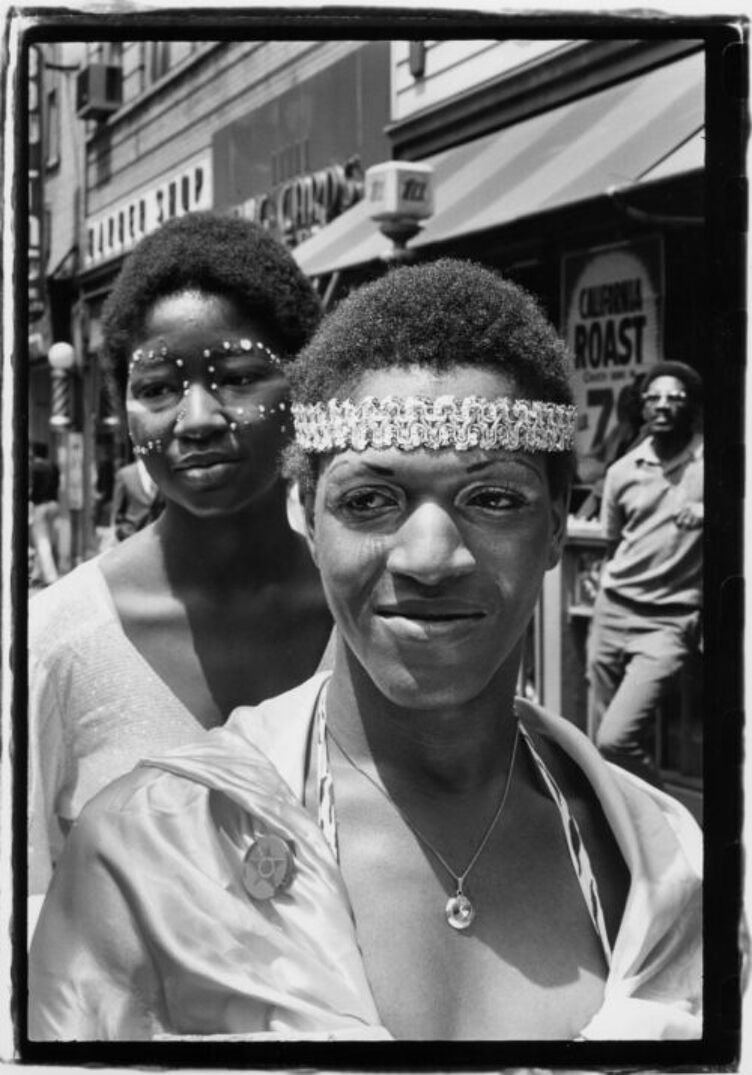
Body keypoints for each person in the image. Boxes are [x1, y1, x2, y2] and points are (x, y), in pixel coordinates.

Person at [29, 260, 701, 1043]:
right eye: (368, 500)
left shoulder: (663, 861)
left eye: (492, 499)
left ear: (556, 526)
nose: (429, 555)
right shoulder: (150, 848)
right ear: (306, 518)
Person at [28, 213, 333, 922]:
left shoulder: (365, 614)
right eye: (158, 386)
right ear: (123, 410)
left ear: (303, 390)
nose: (196, 418)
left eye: (237, 376)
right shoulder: (54, 643)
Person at [587, 361, 704, 787]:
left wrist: (715, 515)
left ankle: (661, 820)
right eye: (654, 398)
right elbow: (613, 542)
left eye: (675, 398)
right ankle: (619, 824)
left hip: (669, 622)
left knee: (614, 740)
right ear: (642, 406)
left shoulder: (716, 465)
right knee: (597, 745)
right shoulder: (622, 470)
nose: (663, 406)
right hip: (612, 610)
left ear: (689, 407)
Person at [110, 457, 164, 541]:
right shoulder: (124, 474)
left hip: (158, 533)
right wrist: (116, 529)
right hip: (131, 533)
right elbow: (117, 507)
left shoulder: (164, 473)